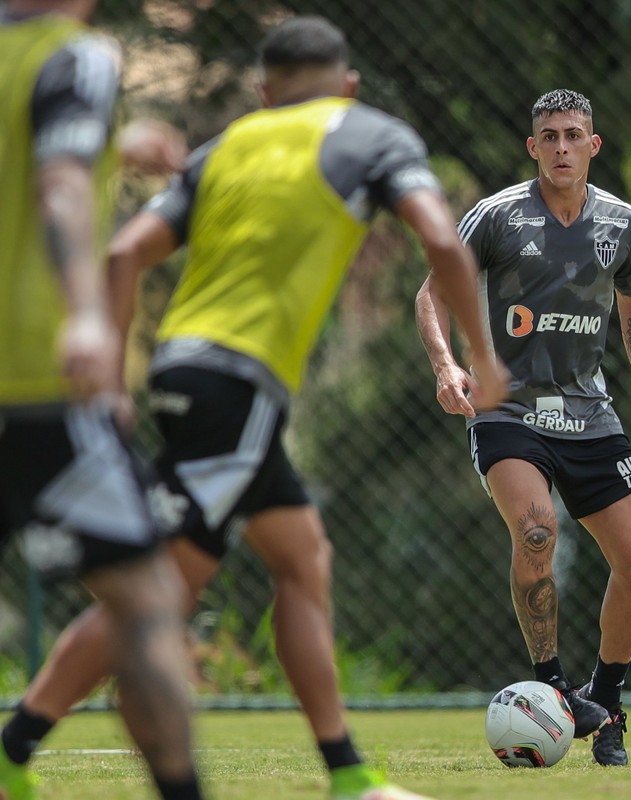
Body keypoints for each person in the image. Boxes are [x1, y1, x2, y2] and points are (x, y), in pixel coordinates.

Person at [0, 15, 507, 800]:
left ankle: (348, 774)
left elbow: (124, 252)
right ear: (348, 84)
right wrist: (482, 353)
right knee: (155, 586)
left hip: (187, 370)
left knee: (302, 559)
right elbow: (442, 238)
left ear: (266, 91)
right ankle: (14, 746)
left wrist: (117, 366)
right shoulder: (373, 134)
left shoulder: (227, 145)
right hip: (237, 385)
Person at [415, 88, 631, 767]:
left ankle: (606, 703)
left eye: (573, 135)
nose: (561, 146)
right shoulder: (496, 218)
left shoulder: (623, 224)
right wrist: (446, 367)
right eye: (549, 136)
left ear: (593, 145)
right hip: (507, 410)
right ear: (533, 147)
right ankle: (553, 687)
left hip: (592, 413)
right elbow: (431, 295)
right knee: (536, 529)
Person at [0, 1, 204, 799]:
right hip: (39, 382)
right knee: (145, 602)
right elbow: (56, 182)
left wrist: (117, 145)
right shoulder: (77, 56)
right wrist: (87, 313)